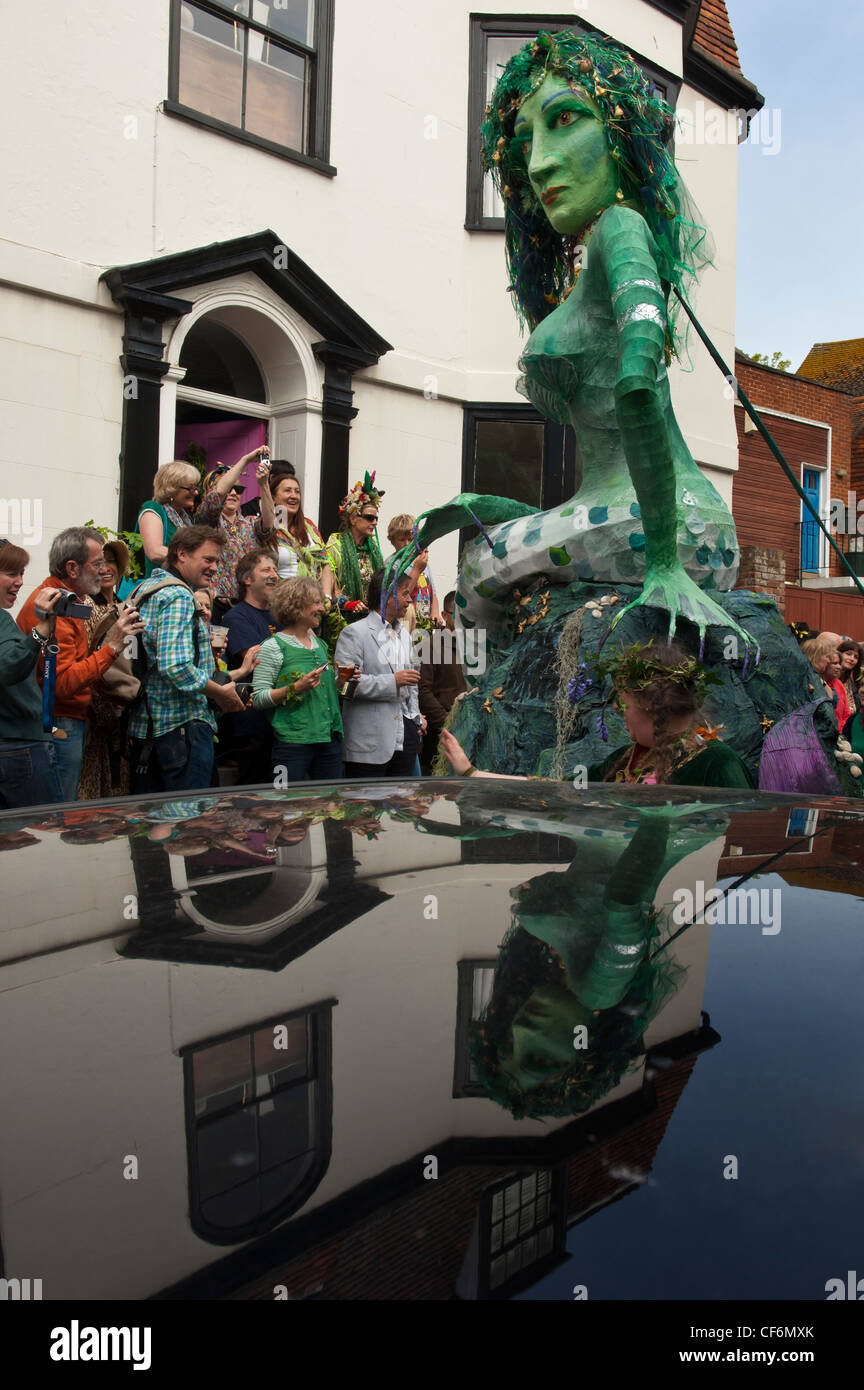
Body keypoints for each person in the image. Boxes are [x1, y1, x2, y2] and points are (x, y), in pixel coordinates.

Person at [440, 642, 753, 789]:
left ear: (650, 704)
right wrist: (473, 774)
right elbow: (555, 789)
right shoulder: (624, 760)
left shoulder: (718, 766)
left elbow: (740, 855)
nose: (616, 708)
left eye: (623, 700)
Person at [17, 526, 142, 801]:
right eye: (97, 563)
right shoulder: (53, 606)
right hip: (58, 723)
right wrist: (113, 646)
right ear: (72, 568)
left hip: (67, 721)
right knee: (55, 815)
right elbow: (61, 683)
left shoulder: (67, 600)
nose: (103, 570)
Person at [127, 526, 244, 793]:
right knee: (187, 827)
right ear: (181, 554)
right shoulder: (178, 595)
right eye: (208, 559)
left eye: (217, 560)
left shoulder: (143, 588)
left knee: (152, 825)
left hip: (144, 728)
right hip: (181, 728)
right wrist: (221, 693)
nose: (215, 568)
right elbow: (176, 666)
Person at [333, 568, 426, 777]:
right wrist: (392, 682)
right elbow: (345, 687)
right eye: (405, 593)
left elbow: (412, 683)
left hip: (405, 738)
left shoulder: (405, 636)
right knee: (366, 808)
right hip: (369, 745)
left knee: (401, 807)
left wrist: (416, 717)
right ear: (386, 595)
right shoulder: (354, 633)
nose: (410, 600)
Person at [252, 577, 344, 782]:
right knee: (285, 805)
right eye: (317, 602)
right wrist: (295, 687)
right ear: (297, 605)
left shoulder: (320, 645)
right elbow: (258, 699)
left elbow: (325, 693)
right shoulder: (272, 647)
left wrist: (342, 681)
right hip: (291, 746)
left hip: (329, 741)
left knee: (330, 806)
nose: (322, 608)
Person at [0, 539, 65, 808]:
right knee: (42, 838)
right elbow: (8, 667)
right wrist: (41, 631)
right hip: (19, 747)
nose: (19, 582)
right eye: (12, 573)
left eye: (22, 573)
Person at [136, 453, 254, 578]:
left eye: (196, 487)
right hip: (161, 589)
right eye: (190, 488)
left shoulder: (186, 519)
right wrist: (196, 557)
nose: (196, 492)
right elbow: (154, 552)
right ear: (172, 488)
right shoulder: (153, 509)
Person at [202, 451, 275, 619]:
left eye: (238, 489)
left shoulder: (250, 522)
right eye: (229, 488)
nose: (234, 493)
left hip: (249, 603)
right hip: (217, 602)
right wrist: (246, 460)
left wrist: (264, 484)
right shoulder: (208, 522)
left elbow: (269, 525)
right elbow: (216, 497)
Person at [324, 473, 386, 622]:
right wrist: (347, 603)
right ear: (353, 518)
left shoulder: (374, 549)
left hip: (371, 619)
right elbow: (330, 584)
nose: (374, 522)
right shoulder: (335, 545)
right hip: (343, 619)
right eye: (369, 517)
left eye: (376, 518)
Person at [419, 590, 467, 772]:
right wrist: (447, 722)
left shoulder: (474, 645)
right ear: (444, 615)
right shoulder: (430, 646)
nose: (463, 617)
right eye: (457, 612)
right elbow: (423, 692)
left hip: (468, 729)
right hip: (441, 734)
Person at [387, 514, 440, 628]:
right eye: (401, 540)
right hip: (405, 624)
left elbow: (433, 592)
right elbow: (400, 596)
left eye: (411, 539)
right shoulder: (392, 564)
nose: (407, 544)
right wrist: (416, 569)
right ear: (392, 541)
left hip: (424, 624)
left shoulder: (421, 560)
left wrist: (435, 612)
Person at [802, 638, 850, 733]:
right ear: (816, 656)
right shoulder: (803, 680)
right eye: (826, 657)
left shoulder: (818, 680)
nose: (828, 661)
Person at [837, 639, 863, 718]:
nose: (852, 659)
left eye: (856, 657)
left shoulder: (854, 680)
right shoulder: (829, 678)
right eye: (848, 654)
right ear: (839, 654)